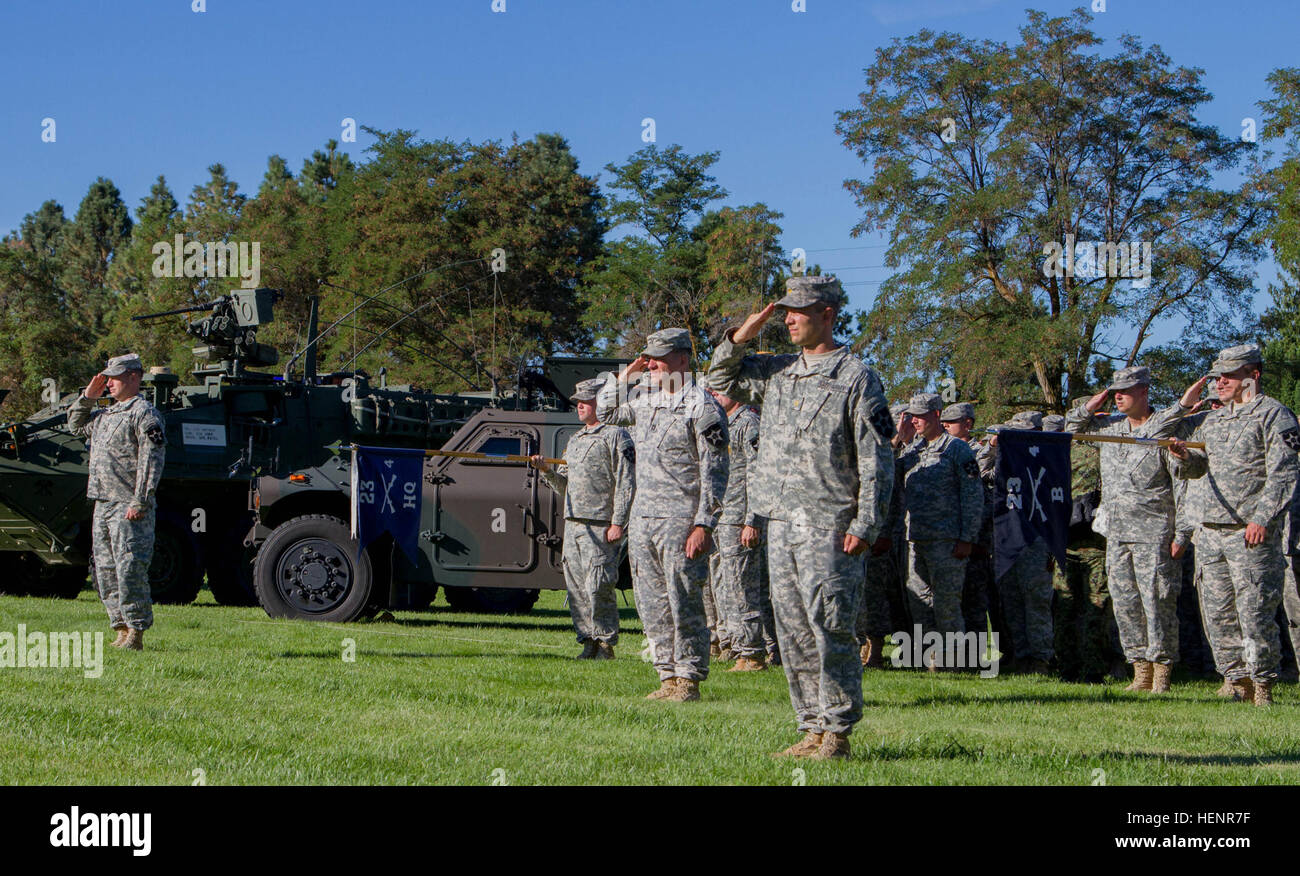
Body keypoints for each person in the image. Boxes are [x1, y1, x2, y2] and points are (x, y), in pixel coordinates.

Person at [708, 275, 895, 760]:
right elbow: (718, 380)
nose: (788, 318)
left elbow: (878, 459)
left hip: (830, 522)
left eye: (798, 311)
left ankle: (836, 732)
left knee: (829, 626)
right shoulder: (778, 370)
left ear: (828, 314)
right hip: (780, 521)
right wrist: (741, 335)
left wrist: (866, 524)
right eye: (784, 310)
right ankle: (810, 726)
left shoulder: (856, 376)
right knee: (791, 630)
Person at [597, 328, 729, 702]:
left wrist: (704, 523)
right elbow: (605, 410)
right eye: (649, 357)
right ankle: (666, 675)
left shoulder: (702, 406)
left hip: (682, 521)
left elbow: (715, 471)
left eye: (659, 356)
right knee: (652, 601)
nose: (652, 363)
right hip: (643, 521)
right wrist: (629, 372)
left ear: (684, 359)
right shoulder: (644, 401)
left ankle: (688, 678)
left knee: (683, 600)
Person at [1169, 344, 1300, 706]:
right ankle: (1235, 680)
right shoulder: (1216, 418)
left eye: (1229, 375)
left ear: (1252, 375)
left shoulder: (1275, 415)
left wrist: (1263, 517)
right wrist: (1183, 456)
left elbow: (1283, 472)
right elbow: (1198, 469)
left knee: (1254, 612)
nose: (1220, 381)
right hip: (1209, 531)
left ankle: (1263, 687)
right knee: (1218, 614)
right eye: (1217, 376)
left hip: (1249, 532)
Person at [1064, 367, 1200, 693]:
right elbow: (1072, 427)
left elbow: (1182, 485)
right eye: (1114, 391)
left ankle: (1162, 673)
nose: (1118, 396)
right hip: (1116, 531)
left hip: (1154, 532)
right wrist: (1094, 402)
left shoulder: (1163, 427)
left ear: (1144, 391)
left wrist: (1181, 534)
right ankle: (1139, 670)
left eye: (1125, 390)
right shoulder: (1109, 427)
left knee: (1158, 603)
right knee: (1125, 604)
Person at [65, 354, 166, 651]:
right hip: (103, 503)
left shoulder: (144, 414)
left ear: (134, 377)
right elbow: (75, 425)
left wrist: (140, 500)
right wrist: (87, 397)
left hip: (128, 505)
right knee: (106, 570)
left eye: (115, 377)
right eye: (107, 377)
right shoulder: (106, 415)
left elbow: (152, 460)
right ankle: (120, 627)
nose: (108, 382)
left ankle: (136, 631)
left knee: (129, 568)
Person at [531, 378, 635, 660]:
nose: (579, 405)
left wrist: (618, 522)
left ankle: (605, 643)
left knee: (599, 584)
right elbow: (565, 486)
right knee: (576, 586)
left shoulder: (617, 436)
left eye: (585, 401)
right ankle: (587, 640)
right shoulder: (575, 440)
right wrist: (547, 471)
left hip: (601, 524)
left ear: (600, 404)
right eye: (577, 401)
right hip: (574, 523)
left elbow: (627, 482)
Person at [893, 393, 983, 663]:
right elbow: (885, 472)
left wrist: (967, 537)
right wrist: (898, 439)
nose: (915, 421)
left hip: (947, 539)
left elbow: (973, 495)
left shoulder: (957, 449)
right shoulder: (911, 450)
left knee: (946, 603)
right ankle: (931, 658)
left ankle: (954, 660)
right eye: (912, 415)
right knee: (919, 602)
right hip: (916, 538)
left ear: (936, 416)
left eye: (920, 416)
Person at [979, 411, 1055, 673]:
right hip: (1008, 537)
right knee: (1010, 599)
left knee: (1035, 602)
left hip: (1036, 539)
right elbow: (981, 472)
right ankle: (1020, 655)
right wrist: (991, 447)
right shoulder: (1007, 460)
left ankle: (1041, 658)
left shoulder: (1047, 458)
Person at [703, 384, 768, 671]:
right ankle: (736, 644)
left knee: (742, 586)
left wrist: (752, 520)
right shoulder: (724, 425)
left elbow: (758, 475)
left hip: (740, 517)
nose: (714, 394)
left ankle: (752, 652)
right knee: (724, 585)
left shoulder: (748, 424)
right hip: (723, 516)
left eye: (720, 390)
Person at [941, 402, 998, 641]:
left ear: (967, 424)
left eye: (951, 422)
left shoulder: (978, 449)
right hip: (948, 532)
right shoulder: (944, 448)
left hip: (976, 536)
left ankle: (972, 656)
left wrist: (991, 449)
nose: (945, 426)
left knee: (974, 598)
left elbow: (980, 473)